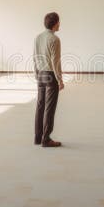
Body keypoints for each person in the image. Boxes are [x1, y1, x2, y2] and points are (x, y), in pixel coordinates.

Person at [33, 12, 64, 147]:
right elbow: (55, 61)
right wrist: (60, 79)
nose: (60, 24)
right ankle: (46, 139)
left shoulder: (38, 37)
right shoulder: (54, 39)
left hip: (40, 74)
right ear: (55, 23)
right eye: (59, 22)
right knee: (49, 108)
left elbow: (34, 56)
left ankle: (38, 137)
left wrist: (36, 74)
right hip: (51, 75)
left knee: (40, 106)